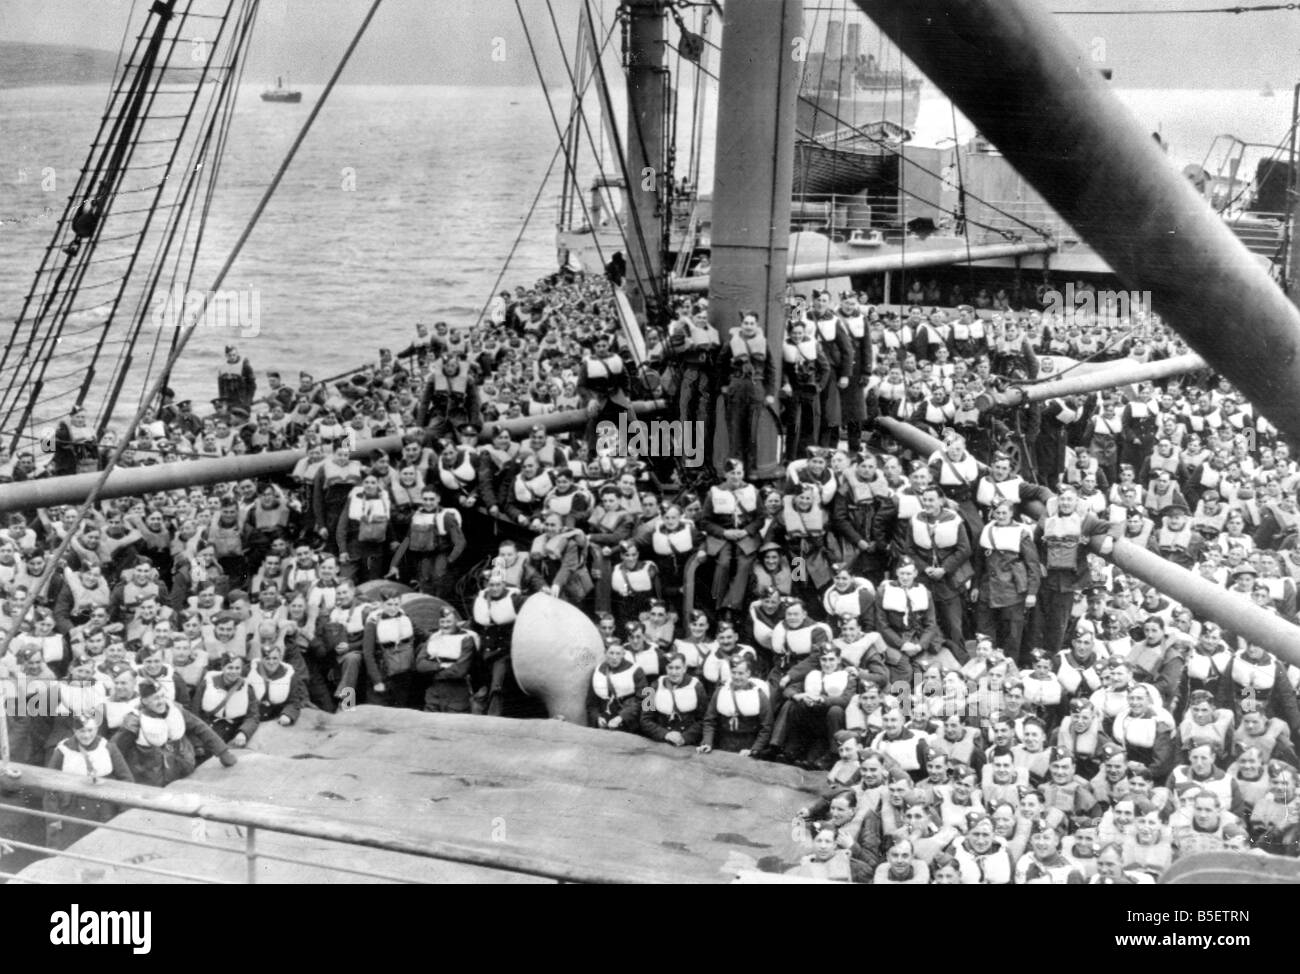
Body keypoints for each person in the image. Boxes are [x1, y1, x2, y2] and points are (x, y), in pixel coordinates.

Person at [113, 679, 236, 786]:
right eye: (155, 698)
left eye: (162, 696)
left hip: (183, 769)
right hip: (150, 778)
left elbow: (201, 728)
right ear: (144, 701)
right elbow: (115, 749)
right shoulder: (133, 721)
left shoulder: (175, 710)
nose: (161, 701)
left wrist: (223, 752)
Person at [975, 499, 1041, 663]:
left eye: (1005, 512)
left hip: (1012, 590)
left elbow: (1033, 565)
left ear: (1012, 513)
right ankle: (985, 666)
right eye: (998, 512)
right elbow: (979, 563)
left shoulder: (1021, 533)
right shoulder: (987, 531)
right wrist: (975, 586)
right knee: (985, 632)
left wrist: (1032, 593)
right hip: (988, 589)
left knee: (1012, 634)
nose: (1001, 516)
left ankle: (1008, 668)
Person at [717, 309, 775, 475]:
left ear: (756, 325)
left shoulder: (764, 343)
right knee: (734, 431)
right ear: (741, 325)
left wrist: (770, 392)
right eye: (746, 323)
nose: (748, 326)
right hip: (737, 388)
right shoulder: (731, 343)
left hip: (756, 389)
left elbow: (771, 369)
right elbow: (720, 365)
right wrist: (723, 385)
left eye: (752, 323)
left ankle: (750, 471)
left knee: (752, 431)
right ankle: (735, 470)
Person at [699, 656, 772, 756]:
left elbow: (766, 727)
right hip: (723, 743)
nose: (737, 677)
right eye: (733, 672)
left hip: (748, 744)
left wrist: (755, 749)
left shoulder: (759, 695)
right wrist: (707, 742)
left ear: (748, 673)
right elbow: (709, 720)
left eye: (741, 673)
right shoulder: (721, 692)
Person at [191, 653, 260, 751]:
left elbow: (253, 716)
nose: (233, 672)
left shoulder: (247, 688)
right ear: (222, 668)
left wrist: (244, 732)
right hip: (209, 729)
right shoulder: (207, 683)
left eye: (237, 668)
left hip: (234, 731)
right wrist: (197, 743)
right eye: (230, 668)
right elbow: (194, 713)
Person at [362, 588, 418, 708]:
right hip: (383, 672)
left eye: (396, 604)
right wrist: (377, 680)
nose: (393, 608)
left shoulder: (404, 616)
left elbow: (419, 632)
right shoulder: (373, 622)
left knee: (401, 707)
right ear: (382, 604)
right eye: (389, 604)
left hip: (403, 671)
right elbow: (368, 653)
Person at [417, 607, 478, 713]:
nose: (445, 625)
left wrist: (433, 674)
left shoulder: (466, 639)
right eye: (442, 621)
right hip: (434, 694)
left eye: (449, 621)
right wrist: (440, 666)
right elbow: (420, 664)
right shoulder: (433, 638)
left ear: (457, 622)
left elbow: (460, 670)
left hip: (456, 694)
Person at [640, 652, 705, 747]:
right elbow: (644, 719)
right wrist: (665, 734)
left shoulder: (697, 687)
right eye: (670, 668)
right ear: (665, 668)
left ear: (684, 668)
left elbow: (705, 719)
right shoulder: (653, 686)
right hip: (661, 741)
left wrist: (685, 737)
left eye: (677, 668)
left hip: (688, 743)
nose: (673, 672)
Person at [588, 639, 645, 733]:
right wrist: (597, 718)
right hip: (604, 720)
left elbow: (644, 701)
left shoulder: (636, 671)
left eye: (618, 653)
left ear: (623, 654)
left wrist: (621, 717)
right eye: (611, 653)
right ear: (605, 653)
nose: (614, 657)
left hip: (628, 721)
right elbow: (591, 703)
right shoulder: (598, 671)